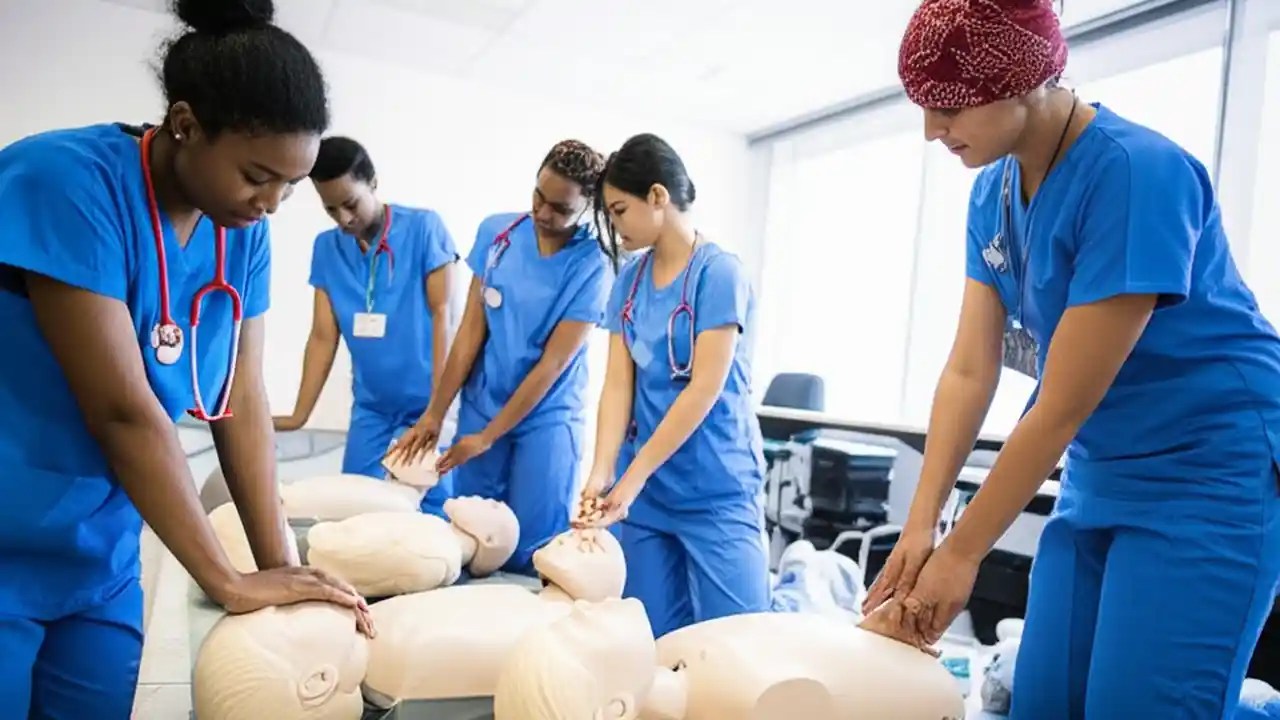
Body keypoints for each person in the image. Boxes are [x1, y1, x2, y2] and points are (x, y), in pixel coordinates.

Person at [863, 1, 1280, 718]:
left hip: (1209, 469)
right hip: (1100, 466)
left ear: (1022, 80)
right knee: (1045, 701)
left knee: (1139, 705)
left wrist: (961, 554)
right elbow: (969, 370)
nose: (932, 130)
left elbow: (1060, 405)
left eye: (949, 106)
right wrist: (922, 524)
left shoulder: (1138, 174)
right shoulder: (992, 193)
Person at [0, 0, 376, 715]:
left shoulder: (241, 231)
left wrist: (284, 576)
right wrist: (226, 580)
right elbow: (123, 412)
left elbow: (242, 398)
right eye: (257, 174)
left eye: (289, 185)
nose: (271, 203)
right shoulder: (70, 183)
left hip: (97, 553)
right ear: (185, 124)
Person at [573, 133, 770, 638]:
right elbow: (617, 386)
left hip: (717, 487)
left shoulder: (719, 273)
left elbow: (703, 388)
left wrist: (630, 478)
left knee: (739, 643)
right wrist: (602, 473)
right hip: (648, 496)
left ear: (657, 196)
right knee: (655, 640)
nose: (615, 227)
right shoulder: (628, 281)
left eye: (619, 211)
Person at [389, 140, 611, 575]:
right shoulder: (498, 234)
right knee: (473, 535)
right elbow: (469, 332)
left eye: (560, 209)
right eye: (538, 197)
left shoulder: (594, 265)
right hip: (483, 400)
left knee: (531, 548)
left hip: (547, 415)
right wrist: (436, 413)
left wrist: (488, 437)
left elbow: (552, 364)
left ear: (588, 208)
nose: (542, 213)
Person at [274, 136, 458, 515]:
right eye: (330, 209)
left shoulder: (424, 229)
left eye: (351, 204)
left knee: (431, 512)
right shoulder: (327, 248)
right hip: (372, 408)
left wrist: (436, 413)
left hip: (428, 403)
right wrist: (300, 413)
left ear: (373, 183)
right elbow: (323, 336)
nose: (343, 218)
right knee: (355, 510)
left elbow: (445, 319)